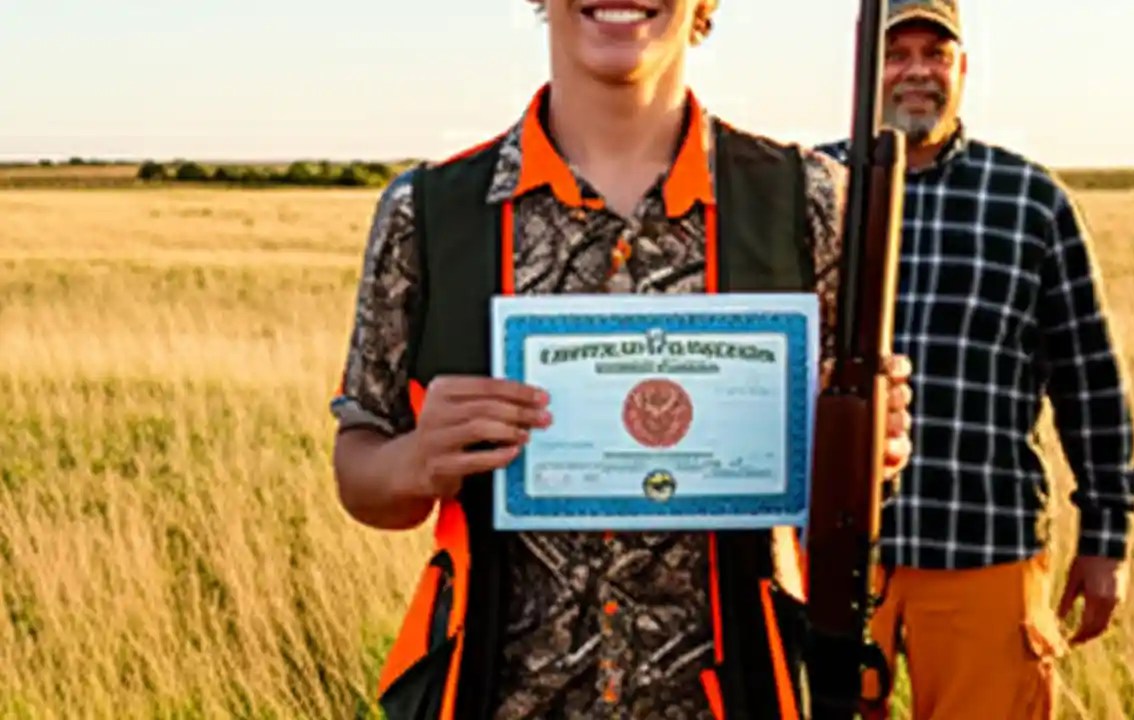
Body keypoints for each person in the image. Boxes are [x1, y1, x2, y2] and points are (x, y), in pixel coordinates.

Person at [329, 1, 916, 718]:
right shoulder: (427, 212)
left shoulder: (810, 200)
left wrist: (866, 444)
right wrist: (418, 459)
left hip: (742, 698)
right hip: (487, 694)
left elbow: (847, 467)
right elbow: (360, 469)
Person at [815, 1, 1134, 718]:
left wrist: (1107, 537)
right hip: (829, 546)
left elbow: (1089, 376)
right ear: (868, 68)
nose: (916, 72)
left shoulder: (1029, 200)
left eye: (936, 53)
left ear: (963, 67)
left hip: (981, 538)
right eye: (897, 53)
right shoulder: (810, 189)